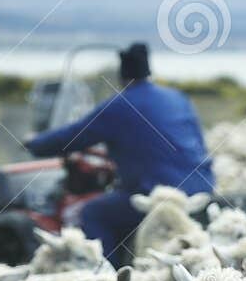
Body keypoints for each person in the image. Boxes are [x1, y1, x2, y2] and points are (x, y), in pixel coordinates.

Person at [24, 42, 214, 264]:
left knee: (94, 213)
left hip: (156, 193)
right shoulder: (178, 98)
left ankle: (109, 279)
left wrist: (34, 143)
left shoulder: (119, 106)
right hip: (201, 188)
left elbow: (72, 136)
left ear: (122, 75)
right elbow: (197, 142)